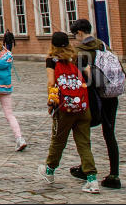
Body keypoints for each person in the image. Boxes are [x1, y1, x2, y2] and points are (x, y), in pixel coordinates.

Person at [40, 30, 99, 193]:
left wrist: (51, 102)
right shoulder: (79, 57)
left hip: (64, 107)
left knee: (58, 140)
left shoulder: (52, 60)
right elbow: (90, 77)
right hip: (82, 106)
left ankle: (49, 172)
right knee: (84, 143)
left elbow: (51, 82)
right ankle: (92, 180)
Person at [69, 18, 120, 189]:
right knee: (109, 133)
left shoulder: (81, 51)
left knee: (84, 132)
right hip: (111, 95)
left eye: (75, 35)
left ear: (80, 33)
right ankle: (114, 175)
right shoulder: (104, 46)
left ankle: (87, 168)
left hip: (93, 96)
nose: (75, 39)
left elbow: (78, 77)